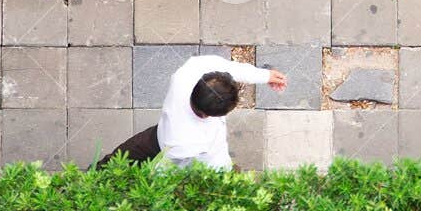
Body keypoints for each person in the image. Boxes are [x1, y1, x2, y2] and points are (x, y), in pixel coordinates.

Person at [97, 55, 288, 170]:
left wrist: (265, 76)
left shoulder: (188, 74)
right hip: (172, 152)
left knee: (114, 162)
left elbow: (228, 68)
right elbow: (214, 163)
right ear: (211, 115)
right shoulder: (199, 140)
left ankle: (82, 183)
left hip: (155, 137)